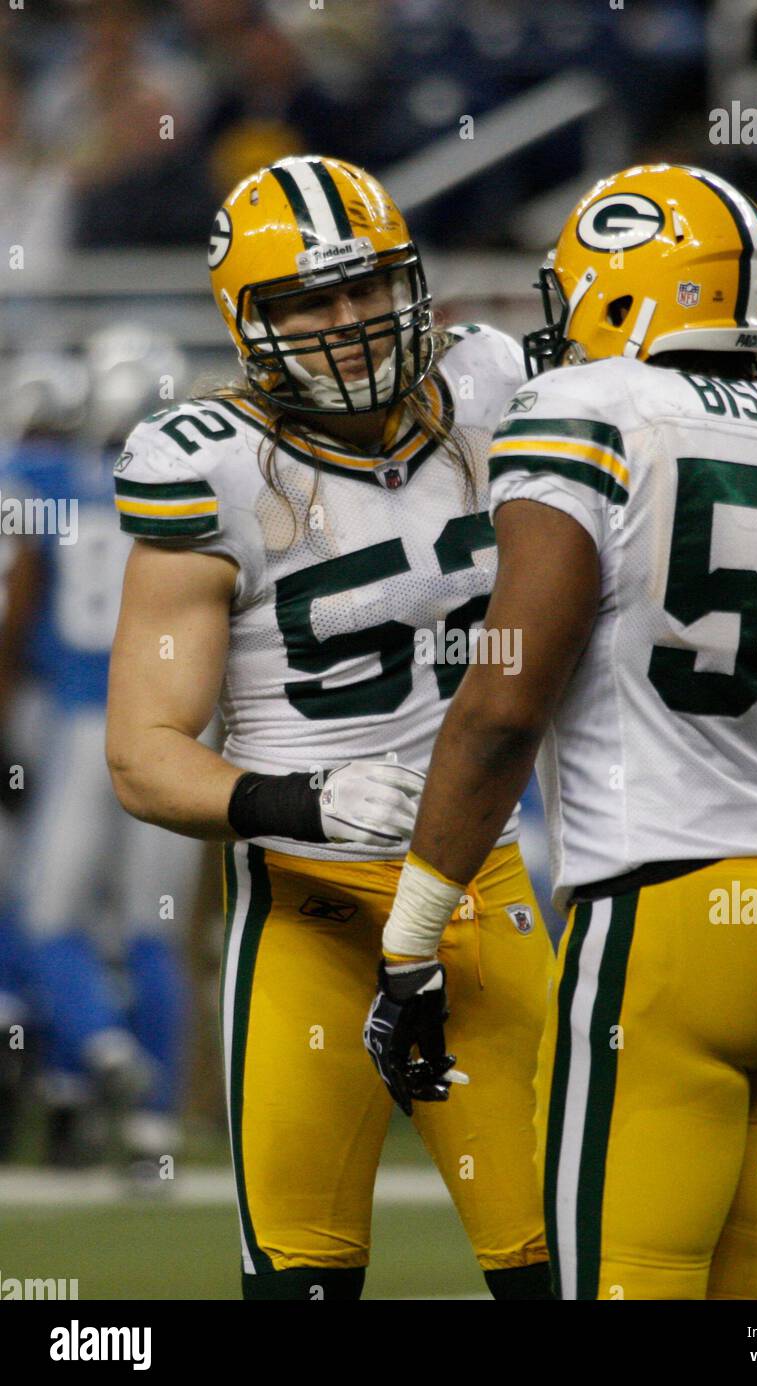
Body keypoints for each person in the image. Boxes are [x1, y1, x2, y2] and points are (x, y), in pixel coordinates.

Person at [364, 163, 757, 1300]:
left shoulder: (590, 414)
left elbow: (504, 703)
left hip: (665, 920)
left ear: (624, 293)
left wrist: (412, 936)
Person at [105, 155, 553, 1300]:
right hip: (307, 903)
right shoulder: (205, 465)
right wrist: (299, 799)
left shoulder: (496, 387)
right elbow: (143, 757)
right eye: (311, 301)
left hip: (474, 880)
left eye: (367, 289)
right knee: (302, 1286)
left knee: (557, 1268)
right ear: (250, 323)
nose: (349, 323)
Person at [0, 339, 199, 1175]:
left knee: (50, 922)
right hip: (181, 727)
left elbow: (20, 591)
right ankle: (154, 1126)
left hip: (83, 720)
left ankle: (102, 1044)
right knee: (156, 933)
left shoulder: (45, 482)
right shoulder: (202, 483)